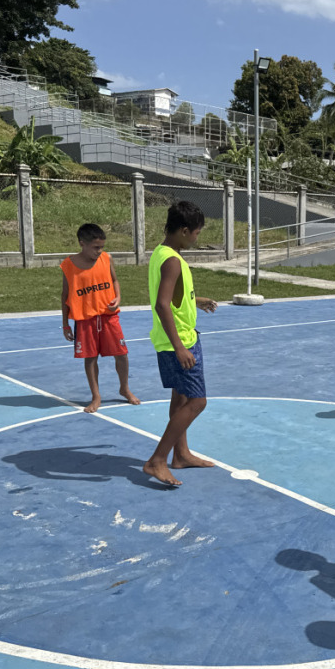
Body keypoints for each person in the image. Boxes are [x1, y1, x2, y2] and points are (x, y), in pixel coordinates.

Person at [143, 201, 218, 487]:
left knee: (182, 399)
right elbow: (162, 305)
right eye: (197, 233)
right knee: (198, 401)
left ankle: (181, 455)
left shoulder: (162, 254)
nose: (197, 238)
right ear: (185, 230)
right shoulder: (173, 260)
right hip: (180, 341)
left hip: (177, 338)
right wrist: (179, 347)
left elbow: (171, 298)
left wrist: (196, 300)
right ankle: (157, 460)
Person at [61, 223, 141, 413]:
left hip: (108, 317)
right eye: (96, 247)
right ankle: (96, 396)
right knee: (90, 358)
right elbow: (65, 296)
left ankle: (125, 388)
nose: (100, 251)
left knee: (121, 354)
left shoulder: (107, 258)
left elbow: (114, 280)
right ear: (82, 243)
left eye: (102, 247)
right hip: (84, 319)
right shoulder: (68, 265)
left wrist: (118, 297)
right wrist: (65, 324)